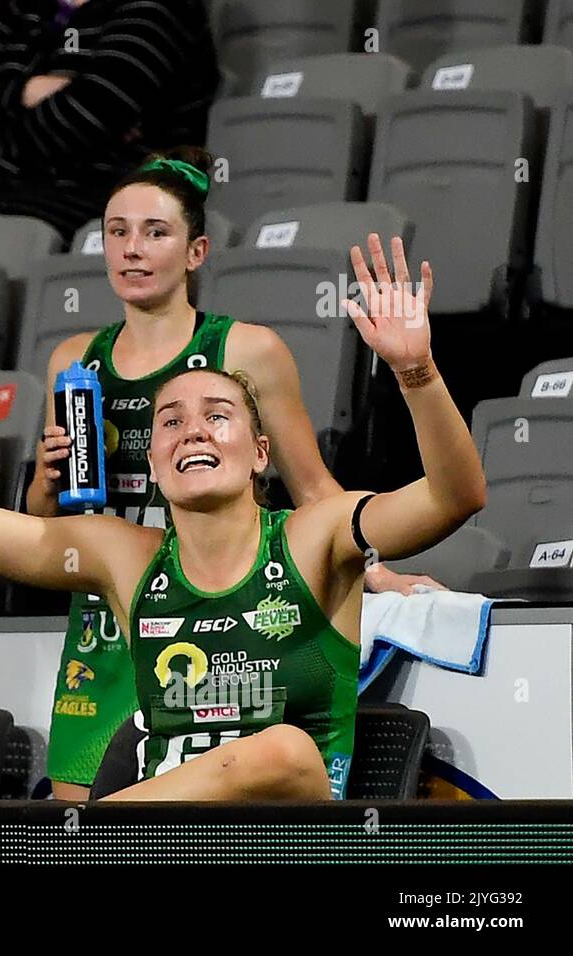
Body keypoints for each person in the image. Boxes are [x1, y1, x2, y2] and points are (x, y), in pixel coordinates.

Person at [0, 231, 486, 800]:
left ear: (261, 451)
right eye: (170, 420)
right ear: (156, 458)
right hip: (158, 843)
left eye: (217, 415)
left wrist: (415, 372)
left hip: (277, 840)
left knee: (285, 750)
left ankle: (95, 830)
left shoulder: (316, 535)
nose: (192, 429)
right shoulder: (124, 558)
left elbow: (455, 497)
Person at [27, 147, 443, 799]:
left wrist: (375, 568)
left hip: (208, 619)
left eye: (155, 232)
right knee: (88, 833)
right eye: (117, 232)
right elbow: (48, 533)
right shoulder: (73, 361)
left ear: (196, 252)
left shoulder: (247, 348)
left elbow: (313, 491)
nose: (132, 249)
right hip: (106, 626)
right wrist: (43, 489)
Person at [0, 0, 219, 237]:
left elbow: (85, 118)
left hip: (103, 213)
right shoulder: (24, 9)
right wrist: (25, 92)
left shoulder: (160, 7)